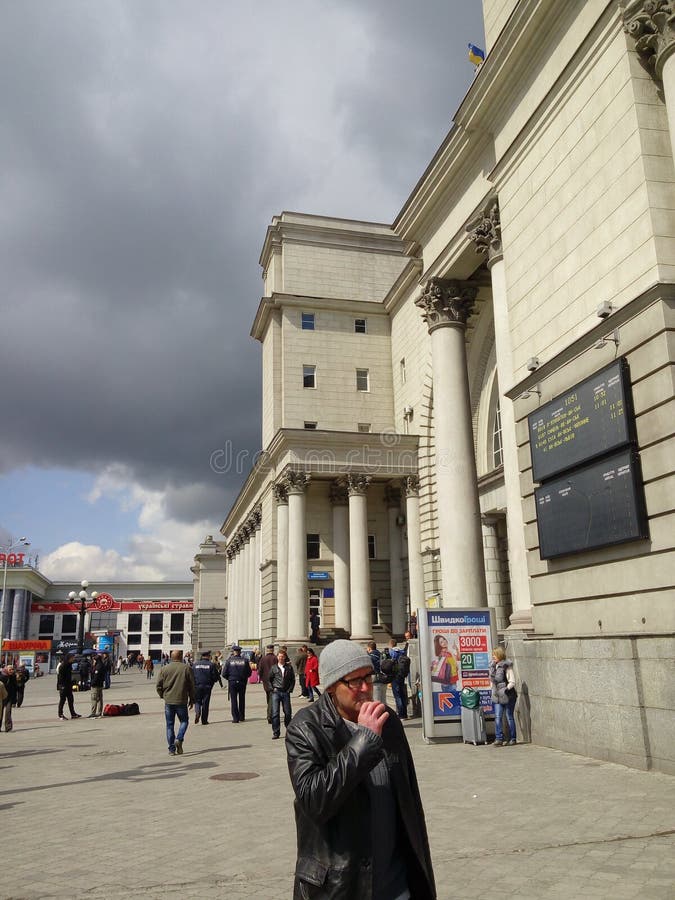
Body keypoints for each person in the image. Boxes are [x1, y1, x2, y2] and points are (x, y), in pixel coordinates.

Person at [285, 639, 436, 899]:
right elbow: (314, 801)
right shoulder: (305, 728)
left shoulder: (387, 722)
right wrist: (364, 741)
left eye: (368, 676)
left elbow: (409, 802)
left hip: (397, 884)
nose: (365, 688)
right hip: (340, 885)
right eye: (354, 681)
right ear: (331, 687)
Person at [156, 649, 195, 755]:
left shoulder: (164, 669)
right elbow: (192, 685)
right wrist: (192, 699)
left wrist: (162, 695)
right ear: (181, 656)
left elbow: (158, 685)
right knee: (184, 721)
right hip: (181, 700)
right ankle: (179, 738)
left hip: (168, 700)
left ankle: (171, 749)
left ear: (171, 657)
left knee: (169, 725)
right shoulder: (187, 668)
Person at [489, 646, 517, 747]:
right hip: (497, 696)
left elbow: (512, 682)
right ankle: (499, 739)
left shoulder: (506, 666)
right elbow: (493, 681)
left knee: (509, 717)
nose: (493, 656)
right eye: (493, 655)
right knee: (497, 717)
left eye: (495, 655)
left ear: (500, 655)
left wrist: (505, 690)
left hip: (508, 695)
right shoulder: (493, 666)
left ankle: (512, 738)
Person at [269, 649, 295, 739]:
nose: (281, 658)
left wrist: (289, 690)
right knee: (275, 713)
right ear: (277, 657)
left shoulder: (289, 668)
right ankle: (276, 732)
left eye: (282, 656)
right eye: (279, 656)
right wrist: (272, 689)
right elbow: (269, 679)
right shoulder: (273, 668)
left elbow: (292, 680)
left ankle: (289, 730)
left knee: (288, 713)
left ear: (285, 657)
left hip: (285, 692)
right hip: (276, 692)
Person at [223, 645, 251, 723]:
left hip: (232, 682)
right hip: (242, 682)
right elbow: (249, 672)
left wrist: (229, 678)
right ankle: (242, 716)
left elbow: (224, 673)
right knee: (242, 699)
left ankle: (235, 718)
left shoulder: (229, 661)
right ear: (240, 652)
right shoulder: (245, 660)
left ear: (234, 652)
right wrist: (244, 677)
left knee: (234, 700)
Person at [192, 650, 221, 725]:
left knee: (197, 701)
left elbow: (191, 676)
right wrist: (212, 682)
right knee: (205, 703)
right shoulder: (211, 665)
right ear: (208, 656)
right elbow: (215, 677)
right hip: (207, 686)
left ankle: (198, 712)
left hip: (197, 686)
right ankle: (204, 721)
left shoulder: (195, 665)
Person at [385, 639, 409, 720]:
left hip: (395, 675)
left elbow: (389, 664)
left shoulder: (392, 652)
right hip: (402, 675)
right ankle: (405, 714)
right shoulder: (402, 651)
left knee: (397, 696)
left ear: (391, 644)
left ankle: (401, 715)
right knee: (402, 694)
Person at [57, 652, 81, 720]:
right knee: (62, 700)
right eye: (72, 658)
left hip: (68, 685)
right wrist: (61, 686)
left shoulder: (69, 665)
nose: (73, 659)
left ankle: (73, 714)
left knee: (71, 699)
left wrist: (72, 682)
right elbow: (60, 677)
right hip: (63, 685)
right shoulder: (62, 666)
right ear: (69, 658)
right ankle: (60, 714)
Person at [257, 644, 278, 724]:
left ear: (267, 650)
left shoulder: (263, 659)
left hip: (266, 681)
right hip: (275, 681)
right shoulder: (275, 658)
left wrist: (262, 678)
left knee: (269, 697)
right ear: (272, 650)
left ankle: (270, 714)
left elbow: (260, 671)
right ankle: (270, 715)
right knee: (272, 699)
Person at [0, 665, 18, 732]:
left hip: (9, 697)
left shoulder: (13, 677)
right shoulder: (2, 676)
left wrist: (14, 700)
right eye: (10, 669)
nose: (12, 671)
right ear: (6, 669)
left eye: (12, 669)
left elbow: (15, 688)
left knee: (8, 712)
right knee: (0, 712)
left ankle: (8, 727)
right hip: (1, 697)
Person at [88, 653, 106, 718]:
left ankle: (93, 712)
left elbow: (96, 676)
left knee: (94, 698)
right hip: (100, 684)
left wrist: (92, 683)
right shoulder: (101, 665)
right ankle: (99, 712)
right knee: (99, 699)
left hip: (96, 685)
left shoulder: (98, 666)